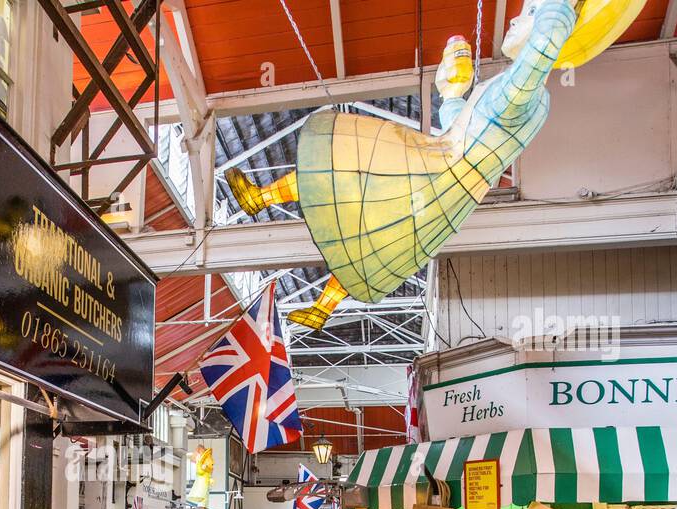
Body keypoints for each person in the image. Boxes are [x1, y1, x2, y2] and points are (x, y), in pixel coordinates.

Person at [224, 0, 588, 330]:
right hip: (449, 179)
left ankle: (261, 199)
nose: (512, 22)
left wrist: (558, 10)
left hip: (443, 172)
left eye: (527, 13)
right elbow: (463, 128)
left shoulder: (527, 90)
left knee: (342, 167)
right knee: (365, 233)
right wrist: (452, 93)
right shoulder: (520, 97)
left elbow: (543, 48)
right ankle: (320, 305)